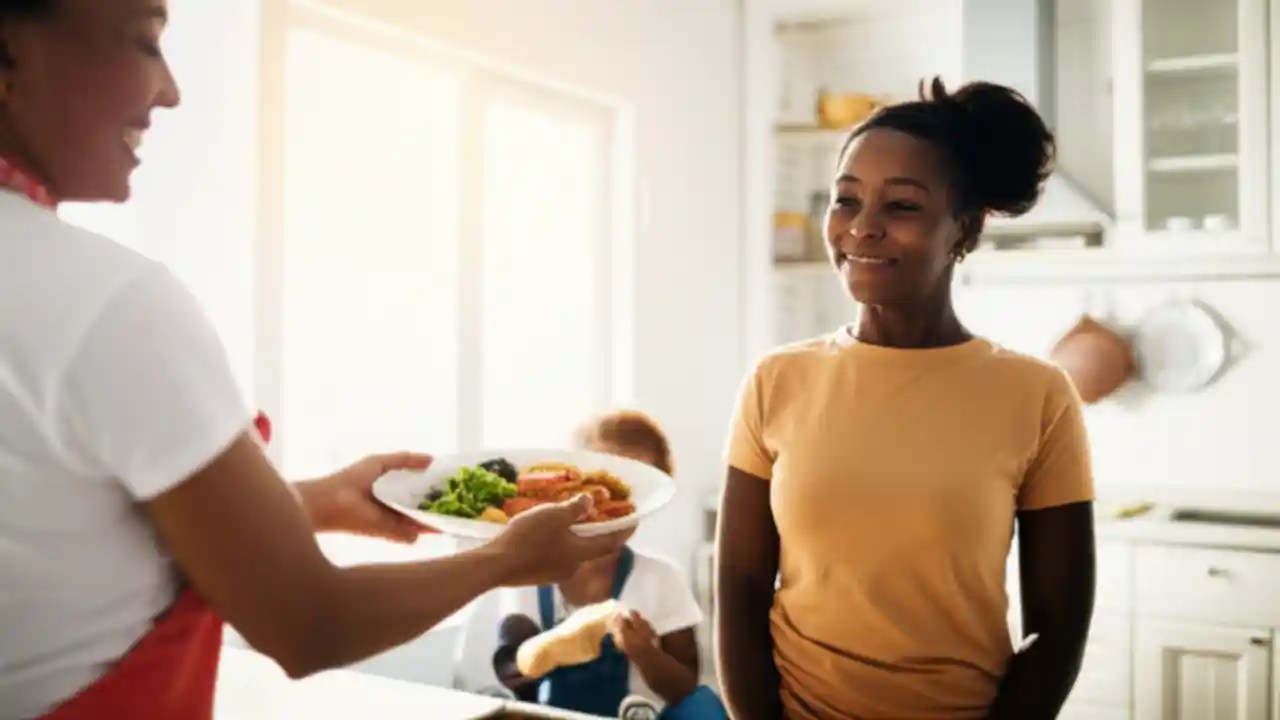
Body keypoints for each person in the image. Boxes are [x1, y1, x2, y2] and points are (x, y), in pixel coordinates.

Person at [0, 2, 627, 718]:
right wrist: (505, 560)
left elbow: (64, 542)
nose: (169, 90)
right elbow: (309, 622)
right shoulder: (110, 304)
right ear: (9, 53)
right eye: (145, 43)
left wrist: (314, 502)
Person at [716, 78, 1096, 720]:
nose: (862, 228)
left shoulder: (1038, 396)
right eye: (846, 200)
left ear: (965, 230)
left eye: (903, 206)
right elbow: (740, 591)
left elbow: (1058, 630)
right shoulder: (774, 380)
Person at [490, 410, 714, 717]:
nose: (614, 509)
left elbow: (686, 688)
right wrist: (543, 652)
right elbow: (511, 669)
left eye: (637, 491)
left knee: (705, 708)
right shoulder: (529, 576)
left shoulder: (661, 580)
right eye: (599, 489)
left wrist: (645, 653)